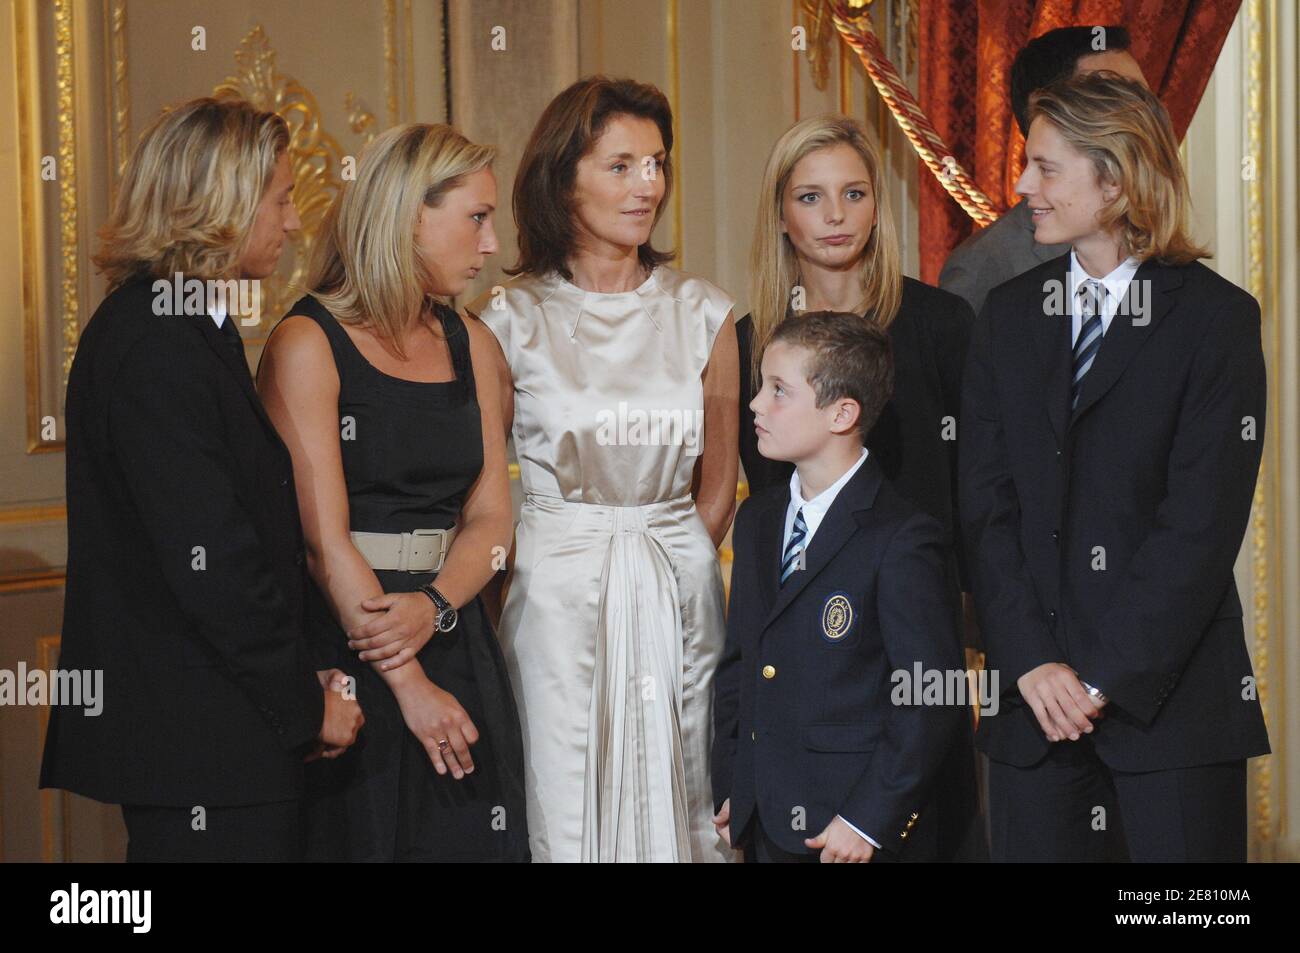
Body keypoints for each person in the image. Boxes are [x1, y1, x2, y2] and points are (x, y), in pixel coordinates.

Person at [40, 97, 363, 862]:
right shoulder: (157, 343)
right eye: (280, 199)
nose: (292, 223)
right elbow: (214, 562)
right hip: (203, 745)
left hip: (220, 736)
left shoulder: (180, 327)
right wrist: (304, 703)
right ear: (217, 204)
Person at [960, 72, 1270, 862]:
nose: (1022, 185)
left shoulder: (1216, 320)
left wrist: (1097, 680)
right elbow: (986, 508)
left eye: (1046, 166)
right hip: (1031, 722)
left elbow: (1199, 527)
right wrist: (1031, 664)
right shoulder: (1007, 316)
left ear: (1117, 176)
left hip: (1170, 716)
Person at [465, 75, 739, 862]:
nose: (647, 185)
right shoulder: (505, 320)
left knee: (684, 790)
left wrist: (678, 559)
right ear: (563, 178)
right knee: (562, 802)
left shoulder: (705, 312)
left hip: (677, 582)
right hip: (552, 593)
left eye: (656, 164)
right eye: (620, 166)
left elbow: (717, 478)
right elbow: (484, 489)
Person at [257, 123, 529, 862]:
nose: (492, 244)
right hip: (351, 647)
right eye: (476, 217)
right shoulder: (306, 343)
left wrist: (436, 605)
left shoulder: (473, 341)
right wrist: (406, 681)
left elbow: (491, 515)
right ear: (410, 214)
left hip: (455, 633)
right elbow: (321, 539)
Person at [736, 113, 980, 859]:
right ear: (780, 213)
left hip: (913, 643)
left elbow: (981, 489)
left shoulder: (941, 322)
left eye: (854, 193)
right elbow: (760, 499)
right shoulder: (753, 342)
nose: (836, 215)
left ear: (879, 203)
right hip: (806, 672)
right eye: (810, 197)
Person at [713, 311, 966, 862]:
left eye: (779, 391)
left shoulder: (902, 537)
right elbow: (742, 664)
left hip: (851, 829)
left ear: (842, 413)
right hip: (768, 820)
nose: (755, 405)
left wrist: (868, 819)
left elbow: (931, 696)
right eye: (761, 386)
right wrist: (736, 780)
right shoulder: (758, 519)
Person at [939, 25, 1146, 316]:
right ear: (1050, 110)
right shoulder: (986, 266)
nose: (1143, 115)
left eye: (1142, 97)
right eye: (1111, 97)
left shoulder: (1159, 243)